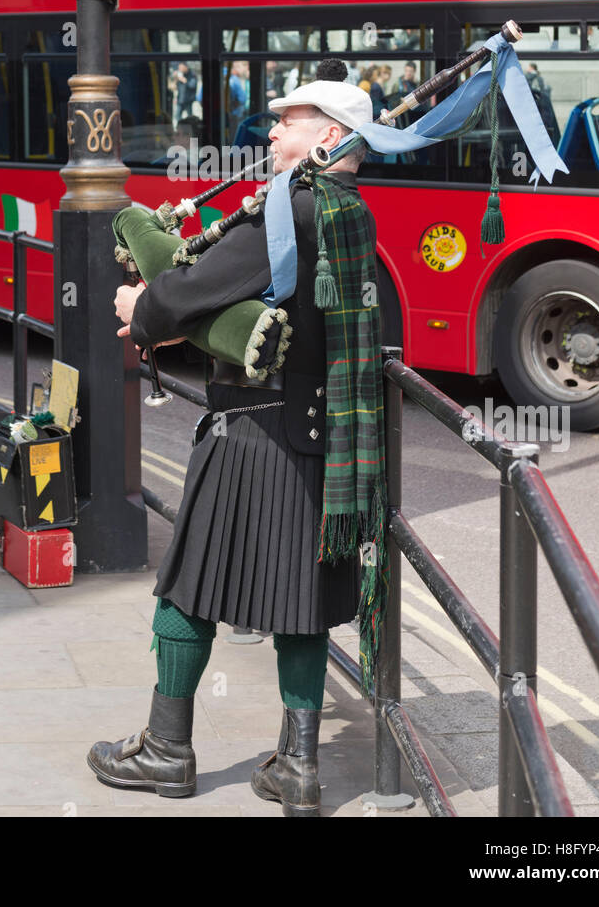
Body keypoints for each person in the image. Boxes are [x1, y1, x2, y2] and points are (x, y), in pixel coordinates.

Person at [87, 58, 386, 816]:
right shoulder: (353, 212)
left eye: (288, 119)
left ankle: (165, 752)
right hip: (321, 437)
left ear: (325, 137)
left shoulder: (291, 212)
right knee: (300, 602)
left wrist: (139, 300)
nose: (274, 126)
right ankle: (298, 766)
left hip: (251, 430)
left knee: (185, 587)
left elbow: (180, 294)